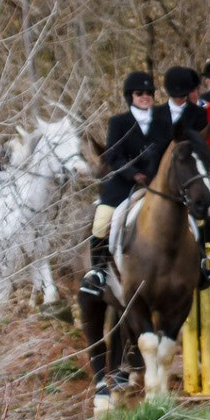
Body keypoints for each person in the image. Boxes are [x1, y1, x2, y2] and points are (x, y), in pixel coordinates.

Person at [82, 72, 173, 298]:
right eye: (139, 93)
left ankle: (198, 262)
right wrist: (134, 174)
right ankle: (98, 271)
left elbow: (169, 153)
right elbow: (112, 155)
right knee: (101, 221)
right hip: (123, 184)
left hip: (157, 184)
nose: (145, 96)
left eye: (149, 93)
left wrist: (155, 175)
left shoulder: (164, 121)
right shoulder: (119, 122)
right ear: (130, 96)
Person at [162, 66, 210, 283]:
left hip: (191, 172)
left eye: (185, 95)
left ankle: (206, 260)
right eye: (178, 96)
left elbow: (202, 148)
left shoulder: (199, 115)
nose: (183, 99)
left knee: (206, 207)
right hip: (162, 175)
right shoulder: (157, 114)